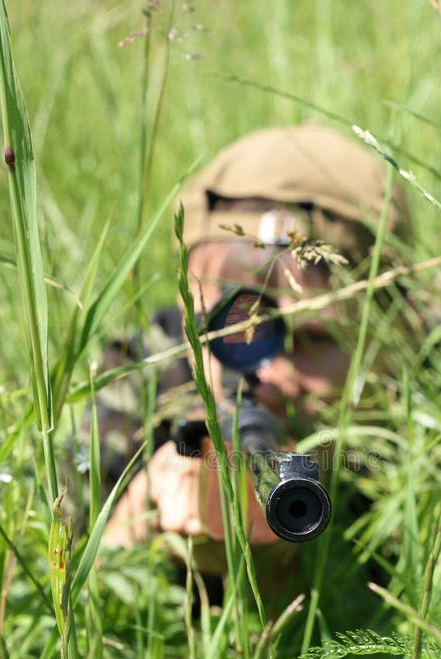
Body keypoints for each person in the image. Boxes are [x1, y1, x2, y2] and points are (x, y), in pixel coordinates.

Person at [97, 122, 413, 592]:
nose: (269, 376)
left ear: (398, 336)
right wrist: (126, 549)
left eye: (312, 339)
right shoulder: (136, 389)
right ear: (186, 321)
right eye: (230, 331)